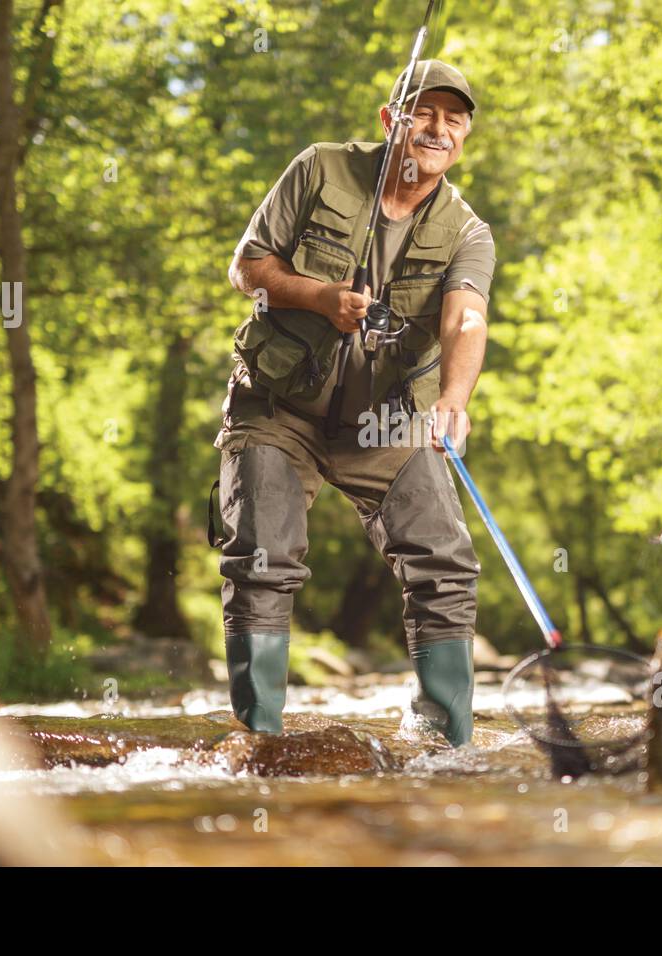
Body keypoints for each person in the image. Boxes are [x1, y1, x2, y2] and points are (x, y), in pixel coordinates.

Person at [214, 60, 495, 747]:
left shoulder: (468, 231)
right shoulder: (320, 169)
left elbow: (465, 320)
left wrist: (454, 397)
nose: (437, 129)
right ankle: (260, 739)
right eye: (423, 113)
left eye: (452, 119)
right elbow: (247, 267)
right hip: (278, 406)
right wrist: (317, 296)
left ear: (464, 136)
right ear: (389, 119)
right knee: (262, 557)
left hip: (388, 417)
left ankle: (444, 745)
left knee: (444, 561)